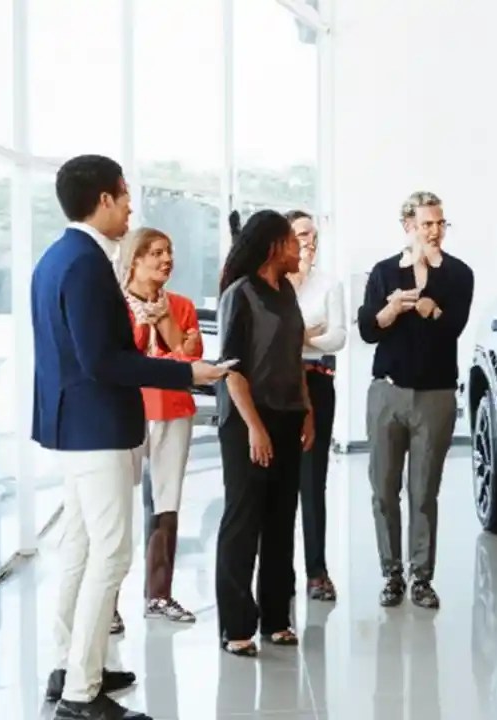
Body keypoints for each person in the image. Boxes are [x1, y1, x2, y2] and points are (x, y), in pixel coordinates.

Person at [32, 154, 228, 720]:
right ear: (103, 200)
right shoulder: (88, 263)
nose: (130, 206)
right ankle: (80, 693)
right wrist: (187, 372)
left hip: (72, 425)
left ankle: (70, 665)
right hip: (98, 428)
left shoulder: (55, 258)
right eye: (124, 194)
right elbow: (102, 360)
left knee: (80, 547)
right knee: (111, 553)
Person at [357, 191, 474, 609]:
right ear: (408, 226)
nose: (435, 231)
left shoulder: (459, 274)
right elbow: (368, 329)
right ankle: (391, 574)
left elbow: (455, 327)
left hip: (436, 394)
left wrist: (429, 307)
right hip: (387, 390)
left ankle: (421, 577)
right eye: (427, 224)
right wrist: (389, 311)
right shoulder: (385, 272)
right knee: (383, 489)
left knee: (424, 491)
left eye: (440, 223)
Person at [215, 209, 315, 656]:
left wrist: (307, 411)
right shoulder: (240, 294)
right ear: (275, 246)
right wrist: (255, 428)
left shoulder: (288, 293)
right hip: (246, 420)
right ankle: (236, 625)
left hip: (289, 415)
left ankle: (276, 618)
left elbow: (295, 360)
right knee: (244, 520)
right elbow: (232, 371)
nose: (301, 249)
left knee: (281, 519)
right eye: (294, 241)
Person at [118, 227, 201, 624]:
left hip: (173, 409)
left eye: (169, 252)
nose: (166, 260)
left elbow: (189, 357)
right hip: (127, 411)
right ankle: (108, 602)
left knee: (167, 500)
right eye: (155, 253)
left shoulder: (181, 305)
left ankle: (159, 595)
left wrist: (164, 318)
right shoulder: (114, 305)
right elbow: (122, 358)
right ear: (134, 259)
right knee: (116, 500)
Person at [285, 210, 346, 602]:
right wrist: (307, 333)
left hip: (318, 383)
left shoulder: (329, 283)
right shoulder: (273, 283)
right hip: (280, 386)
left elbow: (338, 336)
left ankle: (317, 571)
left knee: (313, 480)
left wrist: (300, 339)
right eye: (303, 234)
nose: (311, 241)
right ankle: (280, 571)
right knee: (278, 484)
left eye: (314, 235)